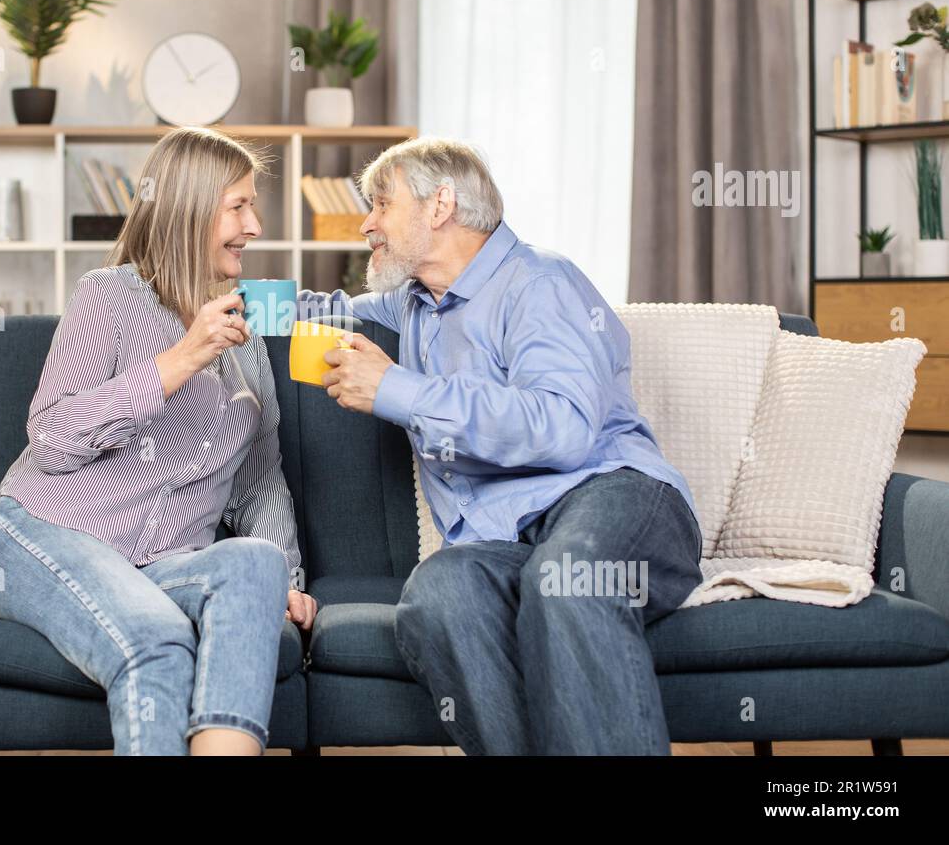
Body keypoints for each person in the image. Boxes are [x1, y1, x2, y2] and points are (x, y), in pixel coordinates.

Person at [297, 136, 703, 755]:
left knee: (568, 580)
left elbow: (563, 429)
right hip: (505, 543)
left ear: (441, 205)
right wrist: (208, 296)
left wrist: (398, 389)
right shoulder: (413, 304)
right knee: (437, 595)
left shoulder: (541, 283)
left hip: (607, 498)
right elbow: (324, 309)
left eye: (381, 204)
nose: (366, 223)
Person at [0, 126, 316, 756]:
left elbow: (261, 480)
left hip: (160, 563)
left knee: (257, 564)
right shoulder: (107, 297)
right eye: (238, 206)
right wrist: (179, 360)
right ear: (189, 211)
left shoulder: (247, 340)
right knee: (157, 637)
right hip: (46, 534)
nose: (256, 225)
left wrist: (287, 579)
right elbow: (51, 438)